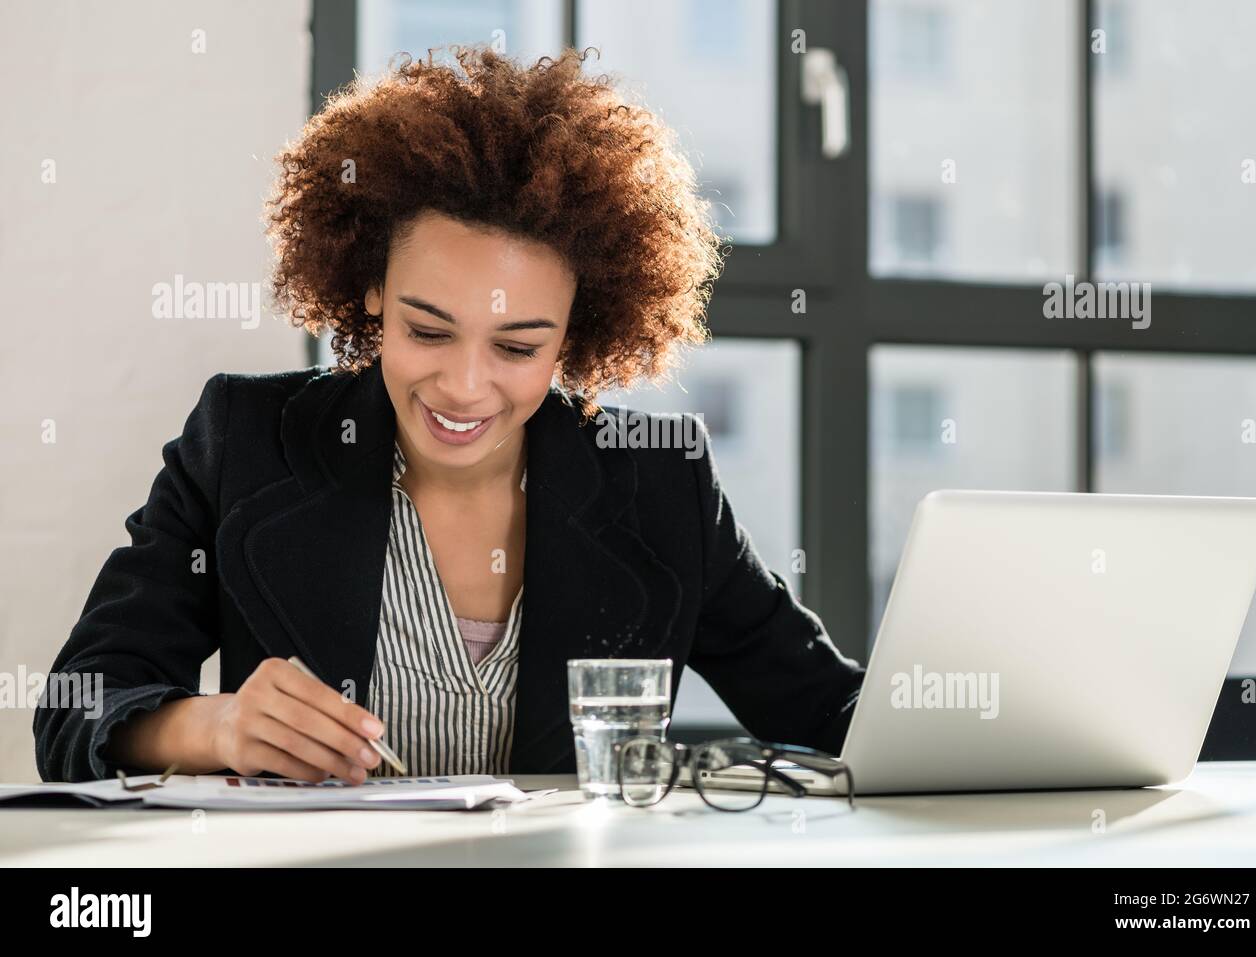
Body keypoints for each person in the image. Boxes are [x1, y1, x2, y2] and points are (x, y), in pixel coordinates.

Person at [33, 46, 864, 783]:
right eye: (428, 329)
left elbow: (833, 712)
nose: (465, 386)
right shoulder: (245, 440)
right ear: (369, 290)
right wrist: (215, 726)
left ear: (578, 332)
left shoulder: (659, 479)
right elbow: (77, 706)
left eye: (517, 347)